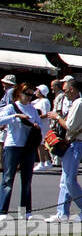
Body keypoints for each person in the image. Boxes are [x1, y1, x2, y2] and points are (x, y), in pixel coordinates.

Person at [44, 76, 82, 222]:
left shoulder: (78, 104)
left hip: (75, 144)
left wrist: (57, 117)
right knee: (65, 181)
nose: (63, 94)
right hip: (72, 144)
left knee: (69, 180)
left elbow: (70, 126)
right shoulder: (76, 104)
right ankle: (62, 213)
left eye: (65, 91)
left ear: (72, 89)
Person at [0, 82, 42, 221]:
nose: (29, 97)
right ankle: (2, 211)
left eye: (31, 94)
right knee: (7, 179)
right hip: (13, 145)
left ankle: (25, 211)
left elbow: (40, 125)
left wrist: (36, 126)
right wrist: (16, 116)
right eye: (27, 94)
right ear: (19, 93)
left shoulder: (33, 109)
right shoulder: (11, 107)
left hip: (28, 146)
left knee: (27, 180)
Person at [32, 84, 54, 171]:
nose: (36, 91)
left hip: (43, 125)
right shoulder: (37, 101)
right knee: (42, 144)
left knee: (40, 144)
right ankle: (47, 161)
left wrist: (36, 118)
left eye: (38, 90)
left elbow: (46, 114)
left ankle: (42, 163)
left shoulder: (45, 101)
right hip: (39, 124)